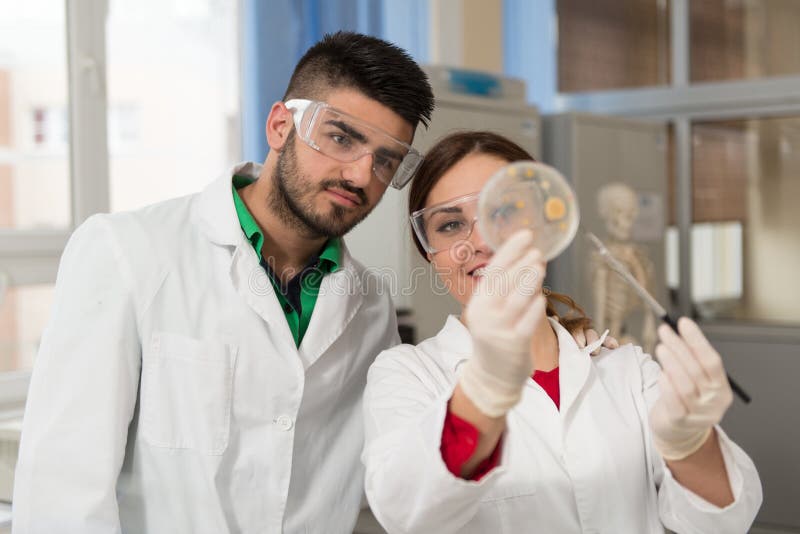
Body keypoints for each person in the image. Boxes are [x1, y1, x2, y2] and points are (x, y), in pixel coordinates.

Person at [13, 31, 434, 534]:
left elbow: (365, 487)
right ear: (281, 125)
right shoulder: (127, 251)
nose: (362, 175)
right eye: (342, 138)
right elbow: (63, 492)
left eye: (386, 160)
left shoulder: (369, 304)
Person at [362, 131, 763, 533]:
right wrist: (482, 392)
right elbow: (406, 512)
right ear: (429, 253)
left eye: (503, 213)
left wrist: (688, 443)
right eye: (451, 225)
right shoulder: (407, 375)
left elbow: (723, 521)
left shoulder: (627, 371)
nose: (480, 242)